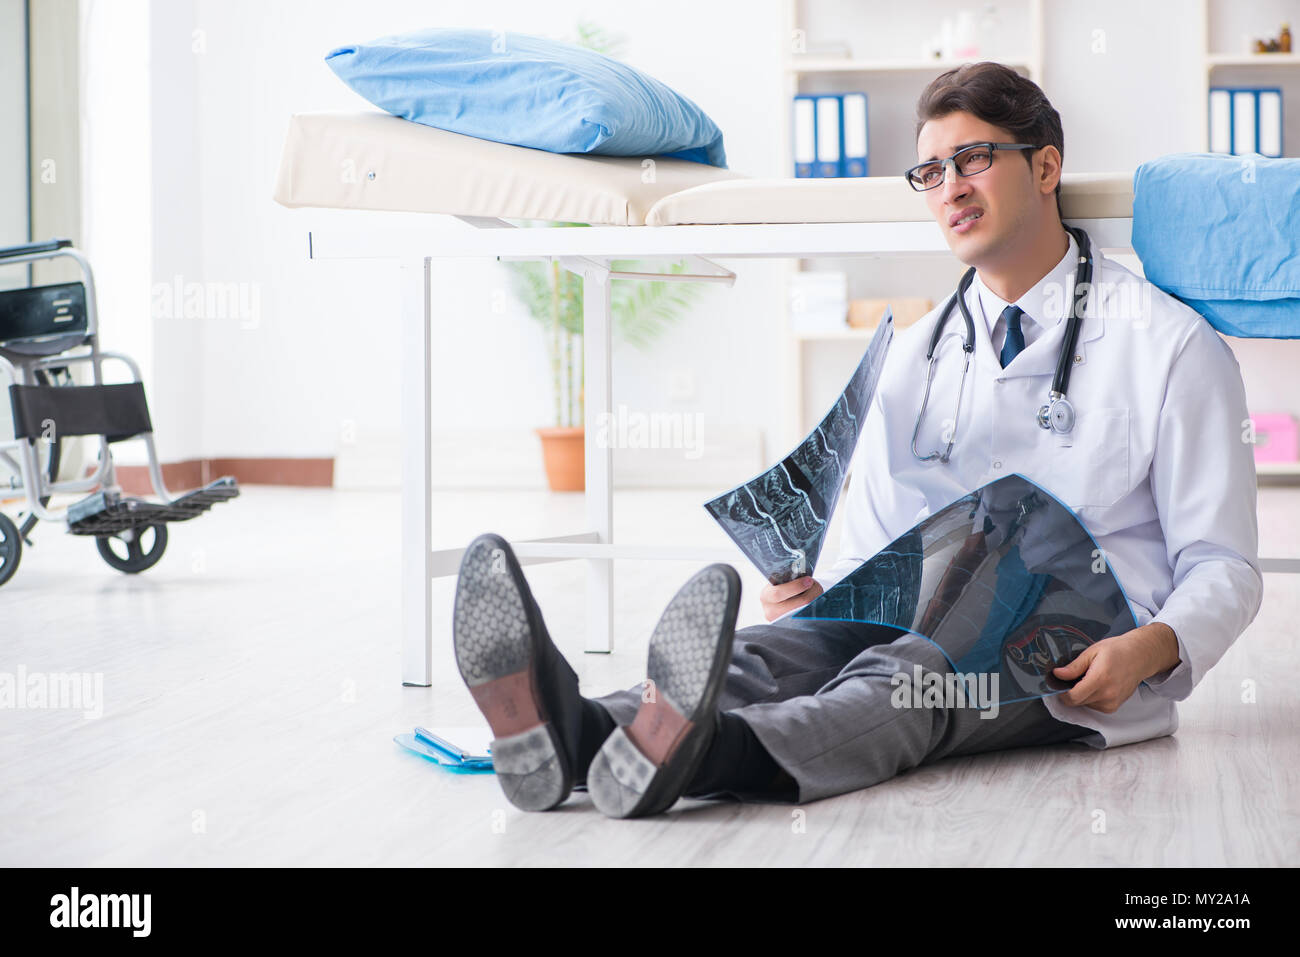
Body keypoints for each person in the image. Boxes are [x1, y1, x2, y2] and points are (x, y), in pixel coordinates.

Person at [453, 62, 1263, 818]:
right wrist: (829, 593)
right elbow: (881, 531)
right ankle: (576, 727)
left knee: (905, 681)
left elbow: (1222, 562)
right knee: (778, 650)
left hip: (1079, 658)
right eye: (931, 172)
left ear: (1045, 168)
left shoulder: (1169, 346)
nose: (950, 187)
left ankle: (702, 755)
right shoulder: (915, 354)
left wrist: (1153, 647)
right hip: (931, 612)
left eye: (973, 159)